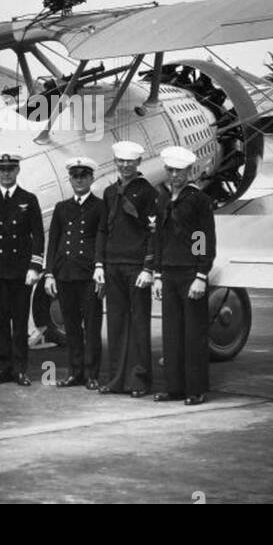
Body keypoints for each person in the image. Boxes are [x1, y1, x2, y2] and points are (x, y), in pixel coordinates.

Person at [152, 146, 217, 406]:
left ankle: (196, 389)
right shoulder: (163, 199)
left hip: (190, 274)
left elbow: (203, 238)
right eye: (170, 170)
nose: (175, 175)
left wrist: (201, 274)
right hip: (168, 272)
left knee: (193, 335)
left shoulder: (199, 200)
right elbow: (157, 238)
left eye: (180, 171)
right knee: (172, 334)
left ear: (190, 171)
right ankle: (174, 387)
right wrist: (157, 273)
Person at [0, 153, 45, 387]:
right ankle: (2, 369)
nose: (6, 173)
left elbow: (38, 236)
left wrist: (35, 267)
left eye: (10, 169)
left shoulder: (29, 199)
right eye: (2, 169)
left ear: (18, 171)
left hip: (21, 272)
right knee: (0, 320)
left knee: (21, 321)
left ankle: (20, 370)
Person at [95, 140, 158, 397]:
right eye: (120, 161)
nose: (125, 166)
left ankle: (139, 380)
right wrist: (99, 264)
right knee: (116, 324)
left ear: (138, 163)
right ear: (115, 162)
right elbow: (102, 230)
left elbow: (154, 233)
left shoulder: (149, 193)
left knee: (140, 323)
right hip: (113, 266)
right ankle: (116, 380)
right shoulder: (110, 193)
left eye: (130, 162)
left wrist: (148, 267)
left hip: (136, 267)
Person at [43, 157, 104, 389]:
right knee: (71, 326)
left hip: (88, 275)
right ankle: (75, 373)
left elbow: (101, 239)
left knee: (91, 327)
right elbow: (54, 242)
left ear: (91, 178)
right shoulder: (62, 208)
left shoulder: (99, 207)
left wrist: (100, 267)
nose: (79, 180)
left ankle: (92, 375)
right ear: (70, 179)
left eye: (84, 176)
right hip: (65, 275)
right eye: (75, 176)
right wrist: (49, 274)